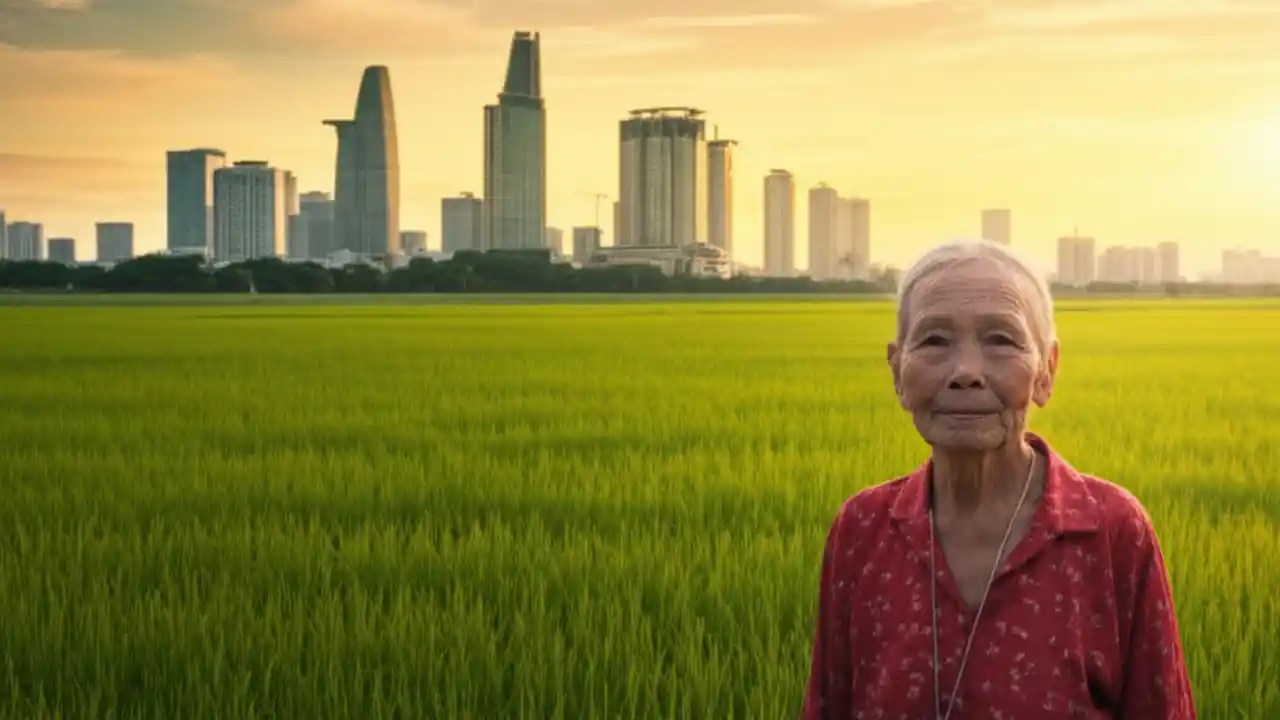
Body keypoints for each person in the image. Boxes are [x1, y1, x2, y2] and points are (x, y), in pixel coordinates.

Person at [801, 240, 1195, 719]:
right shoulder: (861, 529)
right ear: (897, 372)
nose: (966, 372)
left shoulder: (1112, 532)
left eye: (1001, 339)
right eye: (935, 340)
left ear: (1047, 372)